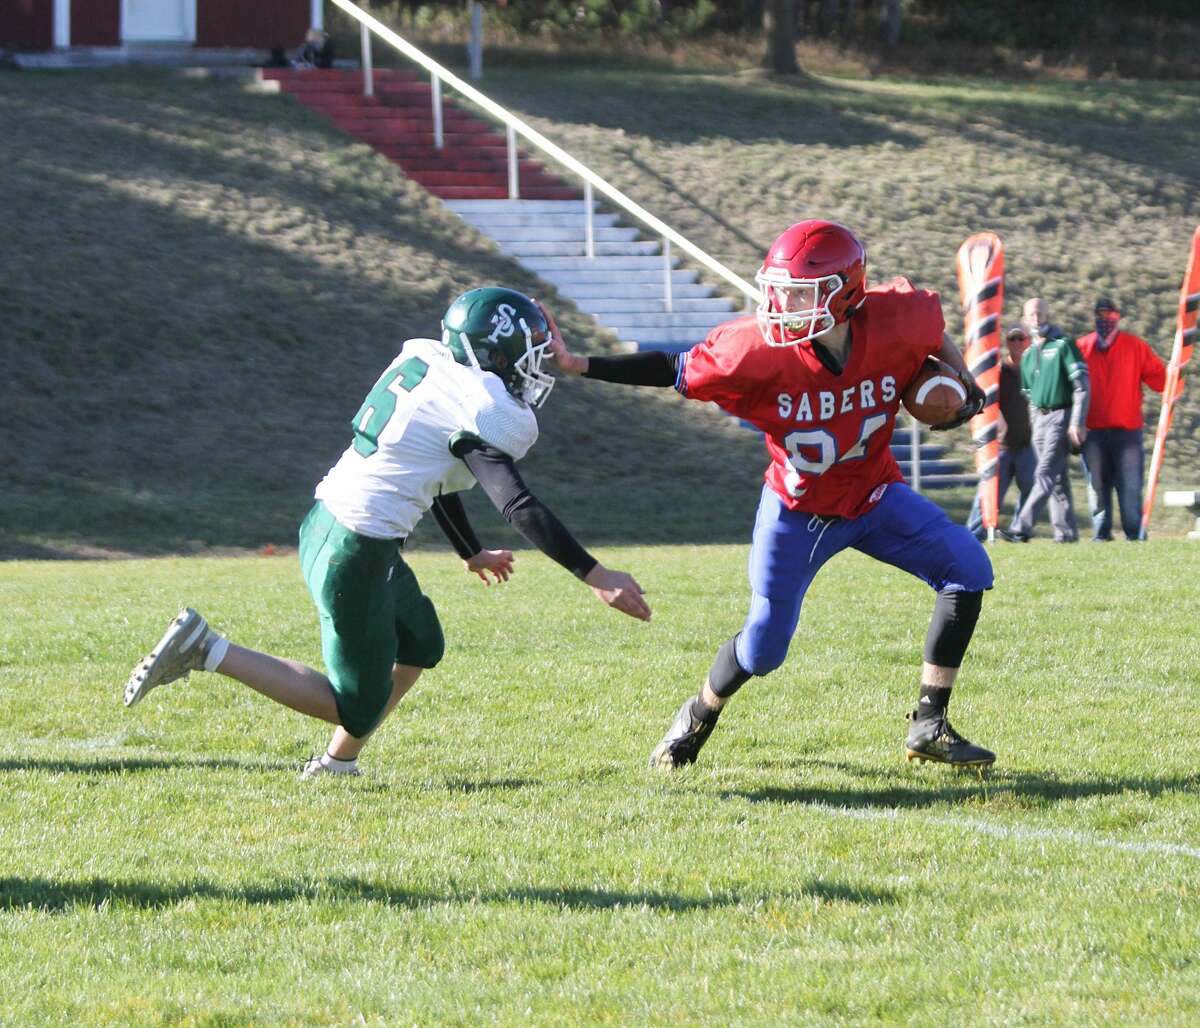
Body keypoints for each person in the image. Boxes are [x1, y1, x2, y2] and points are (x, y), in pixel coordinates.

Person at [123, 288, 650, 779]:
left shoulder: (435, 367)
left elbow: (437, 473)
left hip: (335, 525)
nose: (534, 369)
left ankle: (337, 764)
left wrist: (470, 551)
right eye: (528, 355)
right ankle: (207, 648)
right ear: (494, 355)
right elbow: (516, 502)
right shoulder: (480, 405)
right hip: (355, 549)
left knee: (421, 641)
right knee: (352, 703)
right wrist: (596, 575)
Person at [552, 220, 997, 770]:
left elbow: (930, 335)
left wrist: (963, 383)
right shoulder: (752, 351)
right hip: (798, 510)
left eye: (800, 293)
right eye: (779, 289)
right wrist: (578, 364)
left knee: (969, 568)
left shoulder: (894, 319)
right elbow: (673, 369)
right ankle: (698, 714)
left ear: (846, 293)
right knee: (764, 647)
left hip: (874, 494)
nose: (782, 304)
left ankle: (930, 722)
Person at [1076, 296, 1167, 541]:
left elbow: (1160, 382)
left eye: (1109, 314)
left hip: (1127, 431)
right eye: (1100, 314)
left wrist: (1175, 373)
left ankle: (1134, 533)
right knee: (1096, 486)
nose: (1105, 319)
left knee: (1130, 486)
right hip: (1092, 431)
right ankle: (1101, 534)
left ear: (1118, 316)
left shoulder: (1135, 347)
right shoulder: (1081, 347)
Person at [1005, 298, 1088, 543]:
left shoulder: (1064, 346)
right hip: (1039, 420)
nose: (1036, 318)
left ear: (1048, 315)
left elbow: (1081, 386)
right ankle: (1066, 534)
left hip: (1060, 416)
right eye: (1031, 314)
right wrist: (1034, 424)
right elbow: (1029, 395)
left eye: (1040, 313)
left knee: (1043, 474)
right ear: (1024, 317)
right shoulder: (1029, 354)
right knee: (1057, 478)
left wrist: (1076, 421)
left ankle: (1021, 527)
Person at [965, 326, 1035, 540]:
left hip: (1028, 444)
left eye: (1020, 338)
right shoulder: (996, 372)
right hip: (1000, 445)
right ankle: (974, 533)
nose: (1016, 343)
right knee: (989, 491)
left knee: (1031, 490)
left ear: (1029, 341)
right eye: (1012, 339)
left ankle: (1019, 532)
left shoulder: (1036, 371)